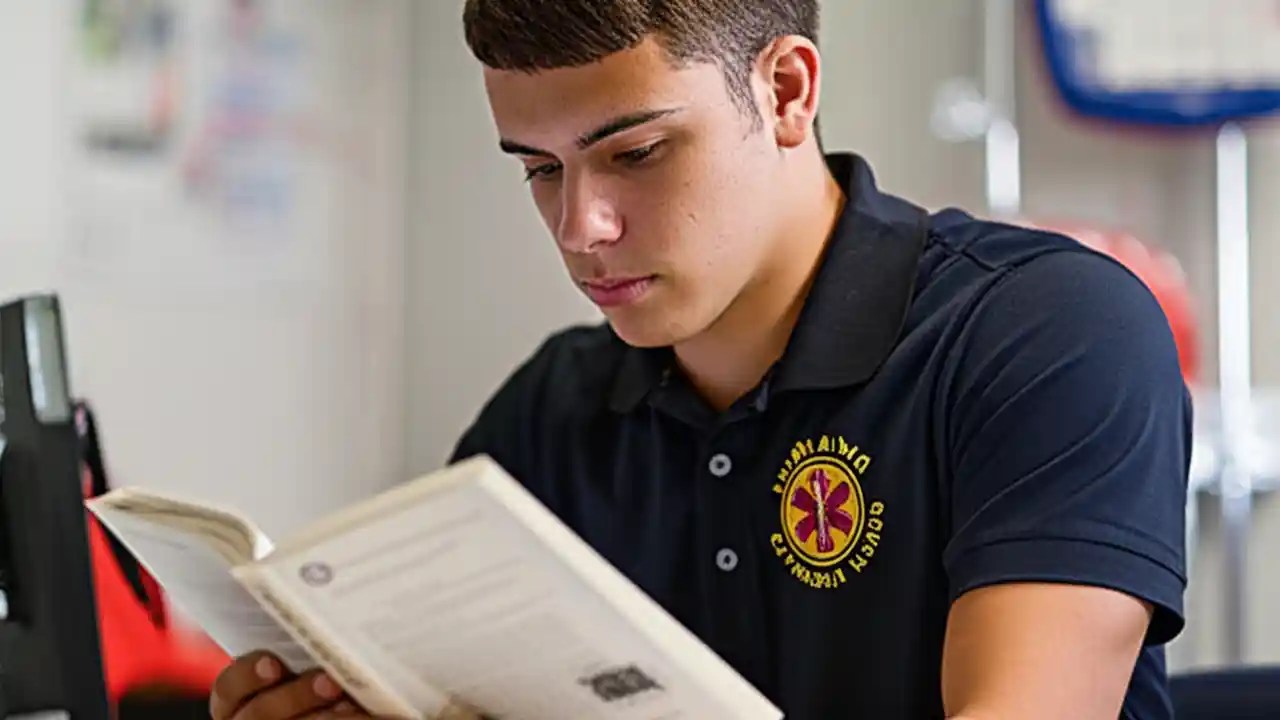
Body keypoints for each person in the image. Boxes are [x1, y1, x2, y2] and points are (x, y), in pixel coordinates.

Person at [209, 1, 1192, 718]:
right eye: (539, 170)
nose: (579, 227)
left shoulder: (1047, 334)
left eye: (633, 153)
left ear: (785, 91)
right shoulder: (552, 413)